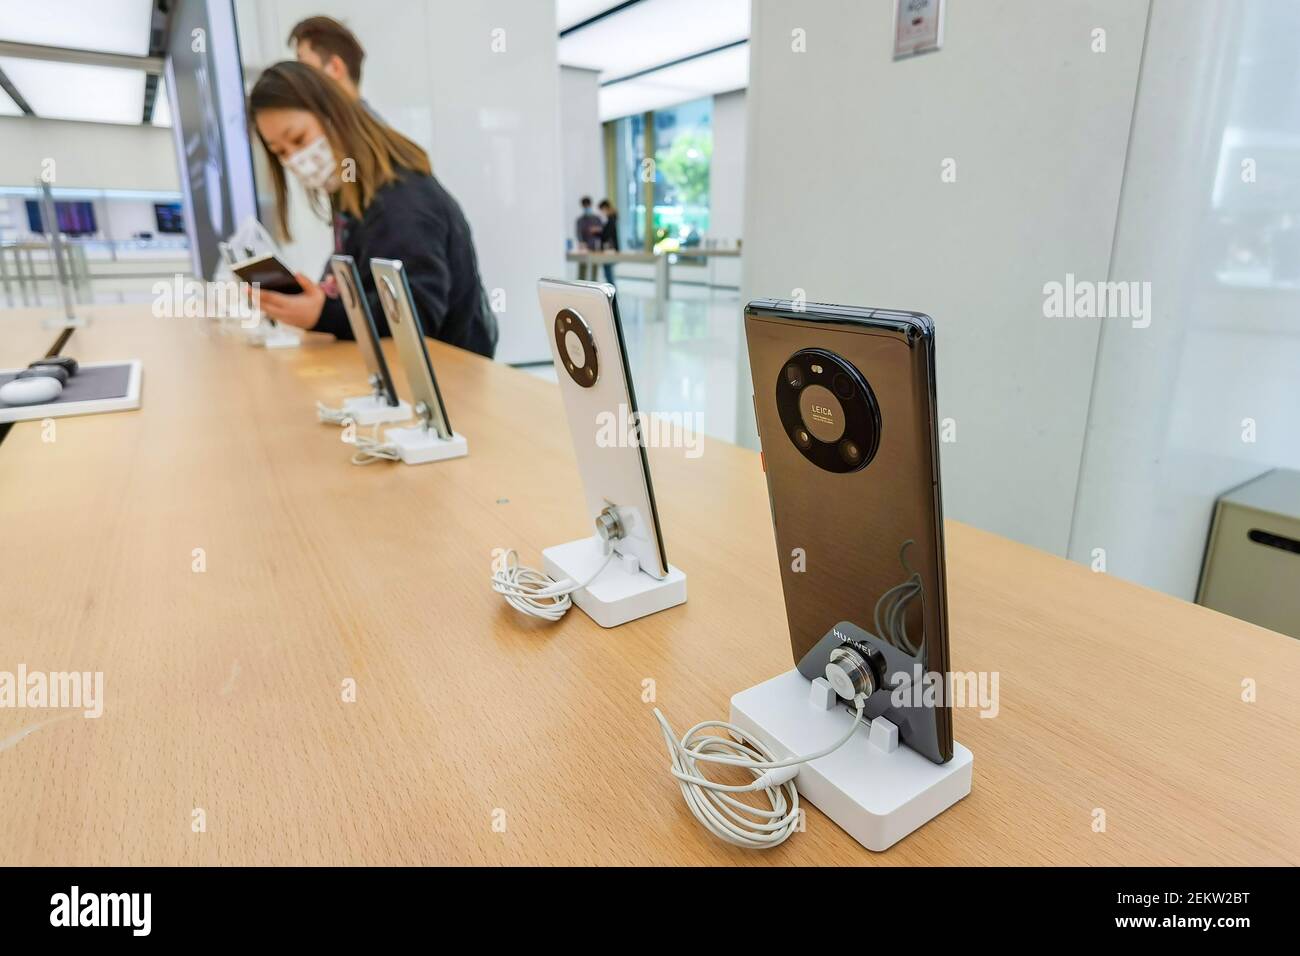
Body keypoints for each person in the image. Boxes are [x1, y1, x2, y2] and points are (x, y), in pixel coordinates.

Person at [248, 61, 497, 358]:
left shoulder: (403, 200)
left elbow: (417, 315)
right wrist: (334, 292)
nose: (295, 159)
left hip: (451, 376)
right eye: (281, 152)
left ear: (334, 116)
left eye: (299, 139)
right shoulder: (353, 191)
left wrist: (324, 314)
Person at [288, 15, 382, 121]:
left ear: (335, 68)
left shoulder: (355, 133)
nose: (298, 80)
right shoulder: (370, 126)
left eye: (304, 69)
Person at [574, 196, 603, 281]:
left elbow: (602, 232)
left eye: (588, 206)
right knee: (582, 268)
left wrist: (597, 230)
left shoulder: (597, 218)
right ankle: (580, 286)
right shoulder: (580, 220)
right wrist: (581, 242)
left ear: (591, 205)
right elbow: (578, 233)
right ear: (582, 206)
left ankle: (594, 287)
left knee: (594, 268)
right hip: (584, 247)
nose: (586, 208)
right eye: (584, 206)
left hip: (595, 247)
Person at [597, 199, 619, 285]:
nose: (602, 212)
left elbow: (606, 235)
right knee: (608, 275)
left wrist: (598, 232)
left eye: (602, 210)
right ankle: (613, 296)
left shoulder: (611, 219)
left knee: (609, 275)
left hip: (609, 250)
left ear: (605, 208)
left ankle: (613, 297)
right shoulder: (612, 219)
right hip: (610, 249)